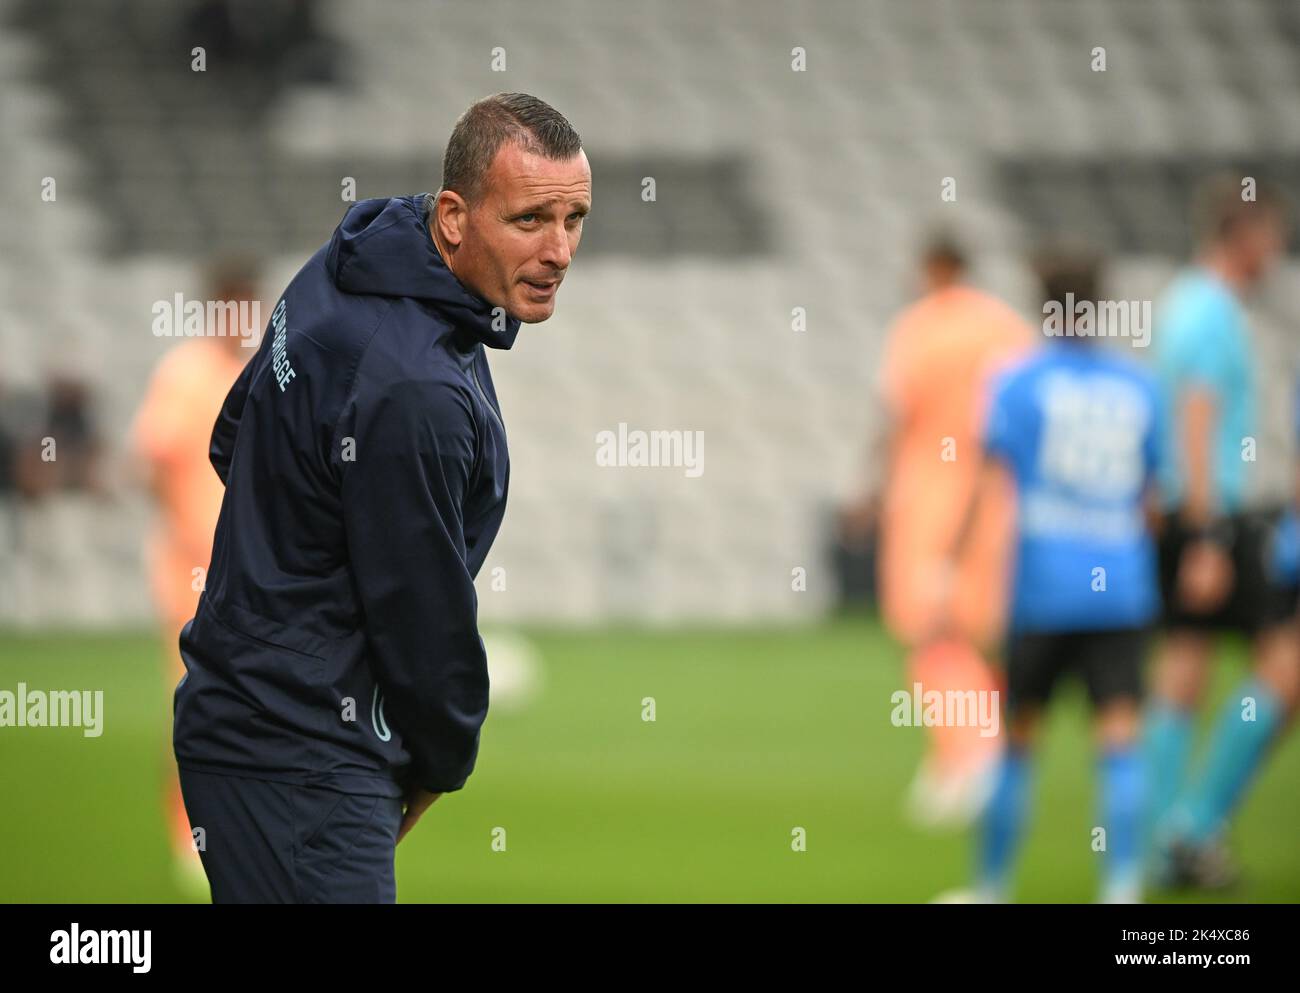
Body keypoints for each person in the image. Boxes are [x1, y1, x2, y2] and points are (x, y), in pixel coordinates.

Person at [173, 92, 591, 903]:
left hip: (253, 713)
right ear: (455, 216)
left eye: (574, 219)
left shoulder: (358, 254)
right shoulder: (412, 386)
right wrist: (442, 757)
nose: (560, 248)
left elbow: (237, 433)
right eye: (531, 218)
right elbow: (420, 609)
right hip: (298, 748)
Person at [941, 249, 1163, 903]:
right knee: (1120, 736)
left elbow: (985, 484)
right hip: (1120, 584)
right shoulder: (1137, 385)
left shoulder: (1016, 381)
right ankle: (1121, 889)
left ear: (1044, 302)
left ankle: (991, 887)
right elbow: (1154, 498)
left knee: (1017, 741)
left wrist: (953, 565)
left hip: (1043, 589)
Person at [1145, 177, 1298, 889]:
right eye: (1269, 235)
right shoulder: (1211, 312)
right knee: (1282, 661)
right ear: (1242, 236)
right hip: (1217, 517)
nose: (1277, 249)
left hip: (1190, 511)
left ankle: (1167, 831)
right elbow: (1198, 418)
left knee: (1185, 663)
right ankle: (1192, 823)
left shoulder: (1187, 301)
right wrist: (1207, 535)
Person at [873, 235, 1034, 826]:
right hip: (995, 496)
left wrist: (874, 488)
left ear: (932, 268)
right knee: (978, 631)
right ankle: (985, 752)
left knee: (931, 632)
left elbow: (896, 415)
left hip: (930, 497)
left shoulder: (918, 328)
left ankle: (963, 758)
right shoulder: (1005, 327)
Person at [130, 258, 256, 889]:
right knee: (193, 699)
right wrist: (182, 529)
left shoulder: (256, 373)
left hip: (246, 571)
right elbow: (152, 456)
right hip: (190, 569)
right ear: (216, 305)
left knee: (245, 701)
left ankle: (234, 824)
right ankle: (187, 832)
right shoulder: (185, 371)